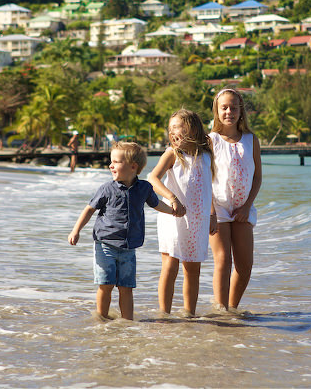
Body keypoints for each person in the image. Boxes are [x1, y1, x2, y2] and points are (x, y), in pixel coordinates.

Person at [68, 141, 181, 320]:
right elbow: (90, 209)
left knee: (126, 287)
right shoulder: (107, 189)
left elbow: (156, 204)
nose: (110, 165)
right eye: (111, 161)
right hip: (105, 244)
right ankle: (102, 320)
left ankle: (128, 324)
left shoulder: (144, 188)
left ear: (133, 166)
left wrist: (173, 210)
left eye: (116, 162)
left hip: (129, 247)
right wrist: (76, 230)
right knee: (106, 284)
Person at [148, 110, 217, 316]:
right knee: (170, 267)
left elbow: (208, 188)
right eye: (170, 129)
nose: (172, 132)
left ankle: (189, 315)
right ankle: (164, 315)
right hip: (173, 217)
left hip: (198, 220)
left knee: (193, 270)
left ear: (192, 129)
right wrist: (172, 198)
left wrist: (213, 215)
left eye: (176, 127)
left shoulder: (206, 156)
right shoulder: (172, 154)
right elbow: (152, 179)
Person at [209, 88, 262, 311]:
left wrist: (247, 206)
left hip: (243, 207)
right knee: (223, 261)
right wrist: (211, 212)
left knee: (245, 265)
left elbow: (257, 177)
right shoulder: (210, 140)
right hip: (217, 207)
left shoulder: (251, 140)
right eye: (224, 108)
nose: (229, 112)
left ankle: (232, 309)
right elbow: (204, 178)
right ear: (217, 111)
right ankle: (220, 309)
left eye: (233, 107)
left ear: (241, 111)